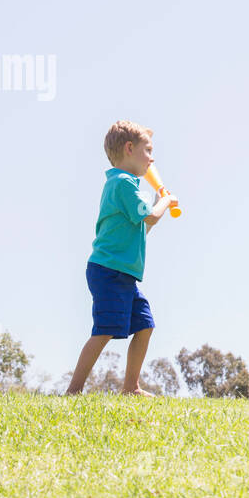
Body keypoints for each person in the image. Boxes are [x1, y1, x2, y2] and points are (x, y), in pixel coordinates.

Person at [65, 120, 177, 396]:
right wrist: (165, 199)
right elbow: (151, 215)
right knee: (104, 330)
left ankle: (131, 387)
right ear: (129, 148)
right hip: (108, 271)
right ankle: (74, 390)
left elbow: (143, 226)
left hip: (122, 274)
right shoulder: (124, 183)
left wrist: (155, 209)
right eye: (147, 150)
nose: (152, 158)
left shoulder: (125, 185)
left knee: (144, 325)